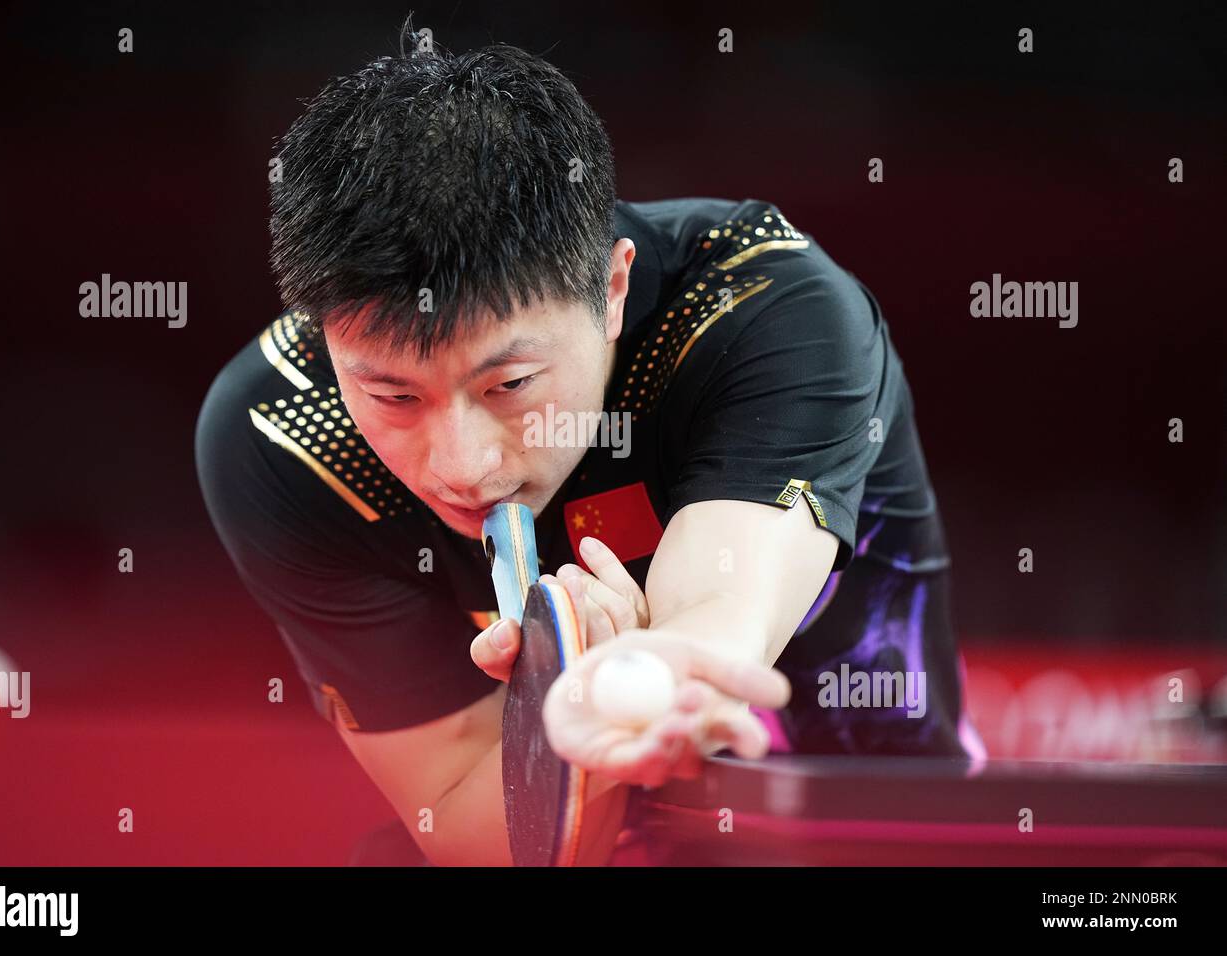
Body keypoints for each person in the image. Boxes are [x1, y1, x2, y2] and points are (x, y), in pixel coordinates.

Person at [195, 28, 983, 866]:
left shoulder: (767, 309)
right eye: (394, 396)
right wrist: (566, 735)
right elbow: (464, 826)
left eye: (509, 387)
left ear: (611, 289)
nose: (464, 467)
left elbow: (717, 623)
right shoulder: (283, 433)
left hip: (876, 840)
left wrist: (631, 685)